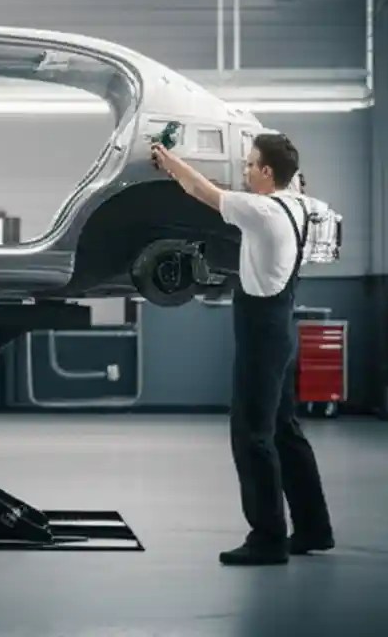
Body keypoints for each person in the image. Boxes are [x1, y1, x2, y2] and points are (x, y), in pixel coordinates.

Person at [151, 133, 334, 566]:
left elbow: (202, 191)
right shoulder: (300, 206)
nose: (246, 171)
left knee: (252, 433)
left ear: (268, 172)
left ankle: (268, 537)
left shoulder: (263, 210)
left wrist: (167, 159)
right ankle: (313, 528)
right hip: (281, 324)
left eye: (251, 164)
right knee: (284, 429)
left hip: (262, 333)